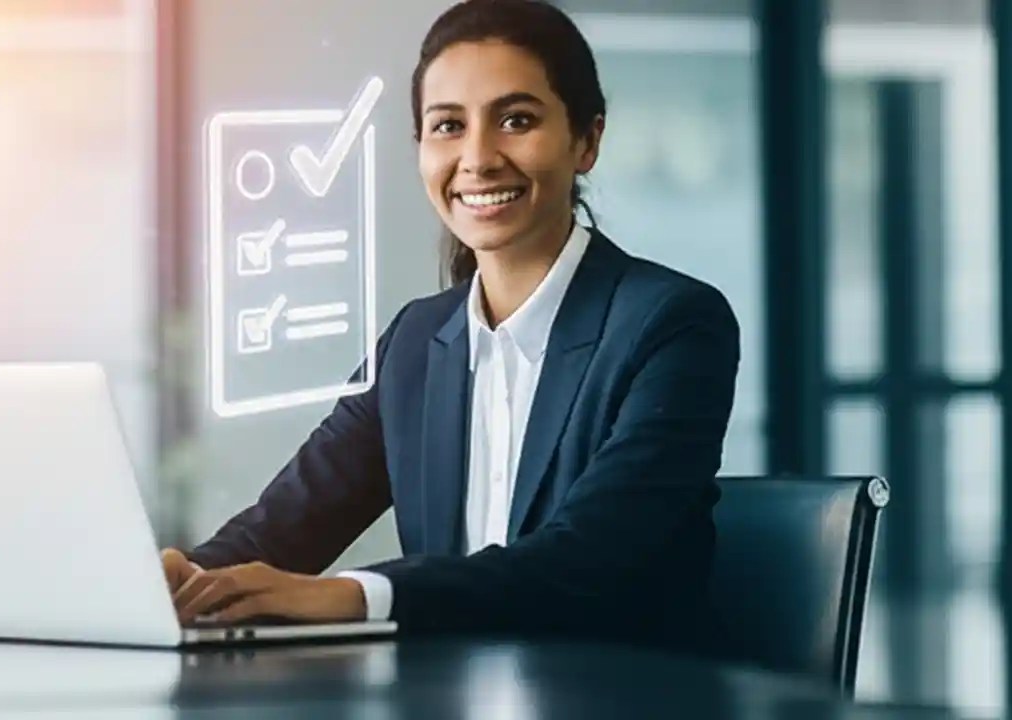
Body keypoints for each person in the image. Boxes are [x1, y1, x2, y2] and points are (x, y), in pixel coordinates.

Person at [163, 0, 740, 653]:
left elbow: (589, 562)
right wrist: (178, 579)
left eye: (516, 120)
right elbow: (285, 526)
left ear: (587, 140)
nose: (478, 158)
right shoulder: (416, 343)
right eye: (447, 126)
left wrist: (355, 596)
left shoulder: (671, 325)